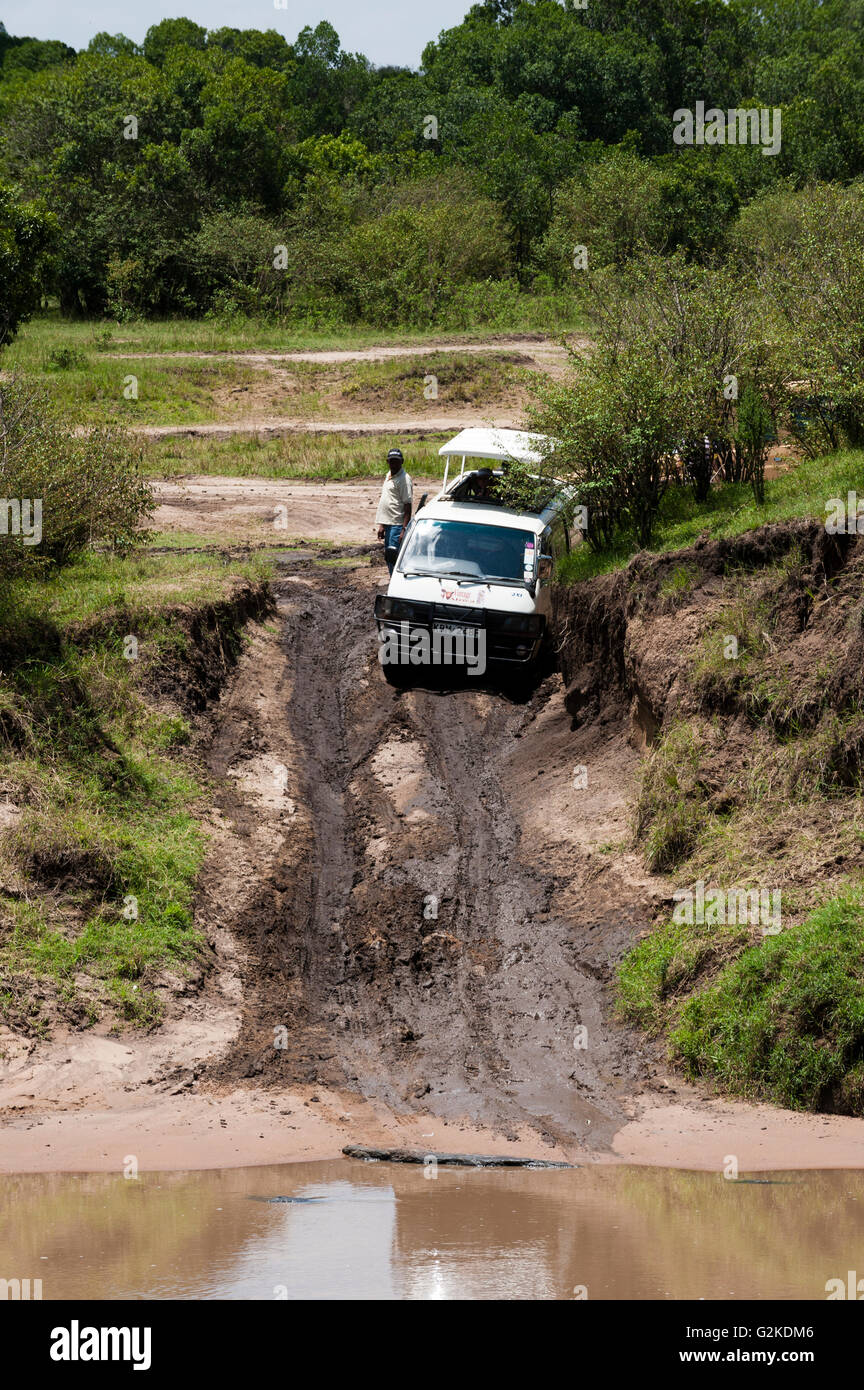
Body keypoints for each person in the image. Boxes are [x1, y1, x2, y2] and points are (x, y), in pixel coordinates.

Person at [376, 447, 413, 575]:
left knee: (393, 557)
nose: (394, 464)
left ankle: (395, 583)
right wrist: (382, 524)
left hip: (397, 525)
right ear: (387, 461)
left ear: (402, 461)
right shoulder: (389, 475)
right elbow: (387, 501)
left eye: (396, 461)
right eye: (391, 461)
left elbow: (408, 506)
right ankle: (393, 581)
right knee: (388, 555)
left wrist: (404, 529)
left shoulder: (404, 479)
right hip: (388, 523)